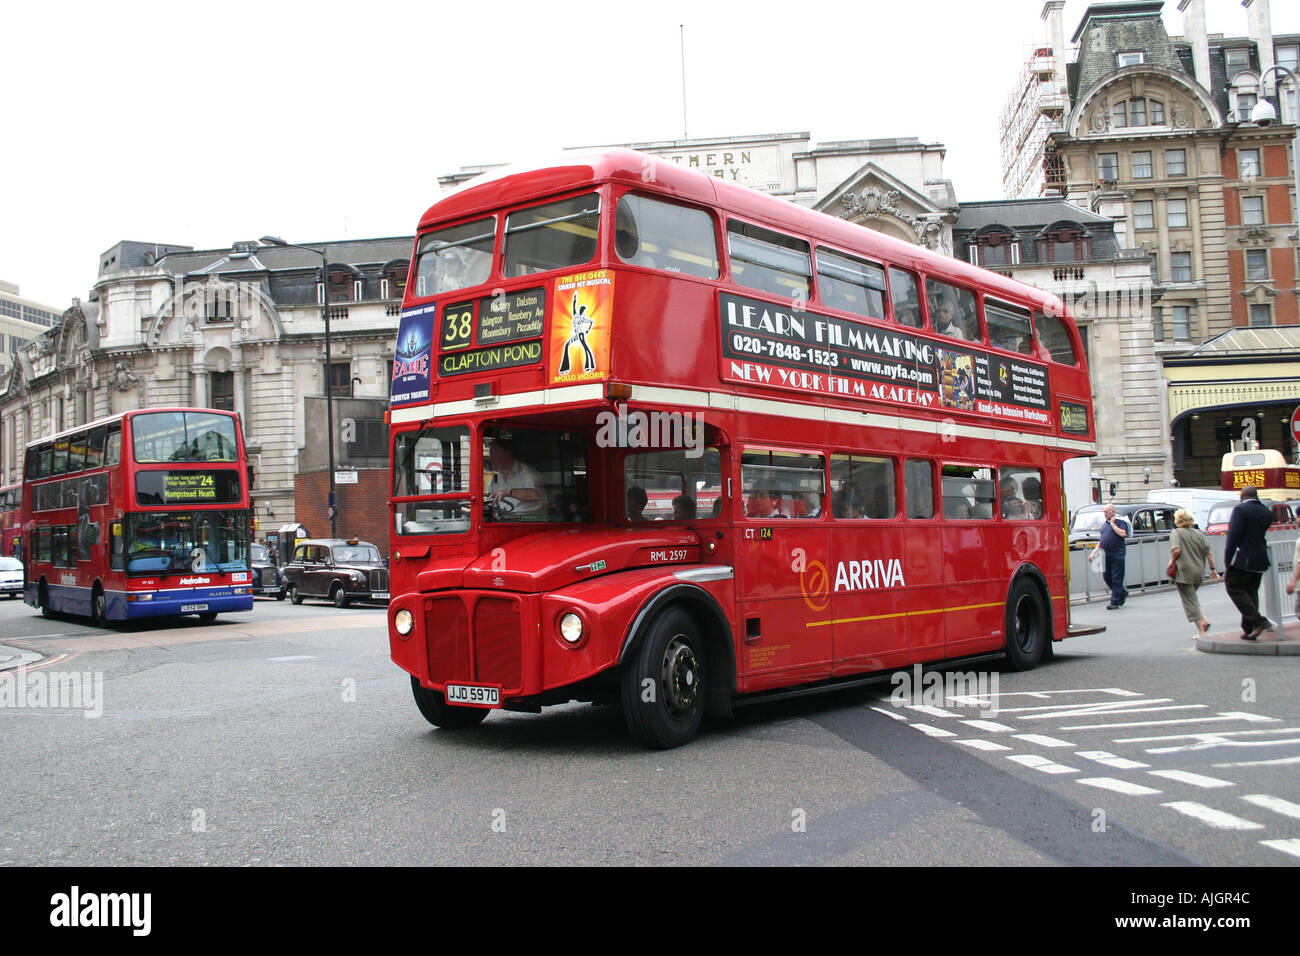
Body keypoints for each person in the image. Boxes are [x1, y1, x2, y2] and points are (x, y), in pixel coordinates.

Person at [1224, 484, 1274, 640]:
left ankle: (1259, 621)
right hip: (1260, 557)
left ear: (1242, 496)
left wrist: (1228, 557)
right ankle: (1248, 627)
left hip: (1244, 558)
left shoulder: (1240, 510)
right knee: (1251, 591)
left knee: (1234, 587)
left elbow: (1234, 535)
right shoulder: (1266, 511)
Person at [1169, 508, 1218, 637]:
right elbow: (1208, 553)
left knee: (1189, 601)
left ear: (1177, 520)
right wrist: (1213, 569)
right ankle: (1204, 620)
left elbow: (1176, 550)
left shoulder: (1176, 533)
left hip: (1184, 571)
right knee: (1192, 598)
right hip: (1198, 570)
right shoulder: (1198, 533)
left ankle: (1201, 629)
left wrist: (1171, 561)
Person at [487, 437, 547, 515]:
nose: (490, 459)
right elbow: (489, 498)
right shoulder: (497, 477)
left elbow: (536, 495)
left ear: (507, 452)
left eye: (493, 454)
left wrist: (509, 492)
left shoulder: (527, 472)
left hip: (527, 519)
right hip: (502, 518)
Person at [1090, 503, 1131, 610]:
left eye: (1107, 512)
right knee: (1106, 577)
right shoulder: (1104, 525)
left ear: (1113, 512)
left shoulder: (1120, 522)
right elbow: (1101, 541)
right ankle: (1121, 592)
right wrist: (1094, 553)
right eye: (1104, 512)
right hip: (1105, 555)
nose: (1105, 514)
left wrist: (1113, 525)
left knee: (1117, 578)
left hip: (1117, 554)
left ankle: (1115, 601)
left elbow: (1123, 534)